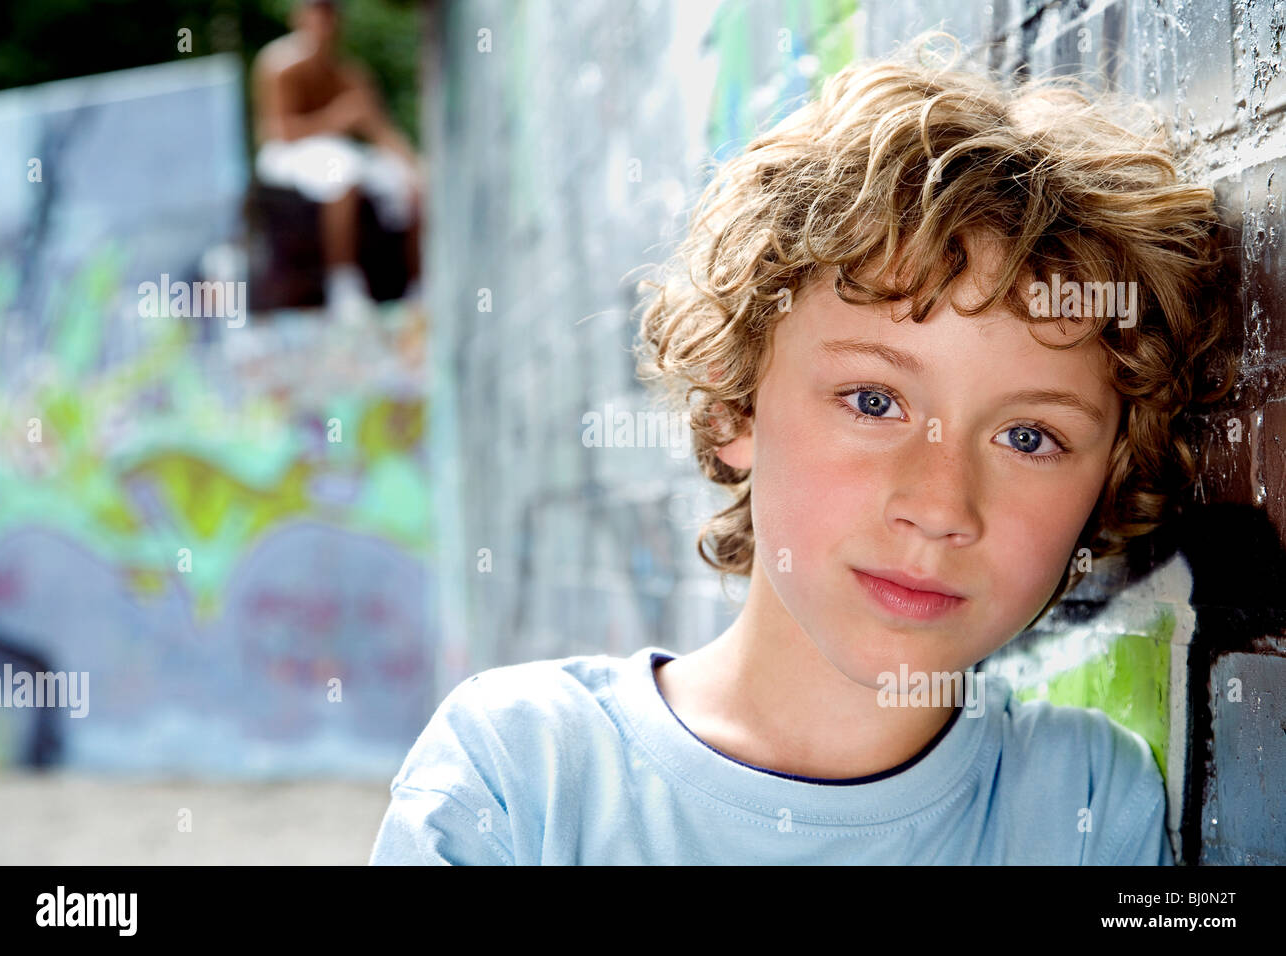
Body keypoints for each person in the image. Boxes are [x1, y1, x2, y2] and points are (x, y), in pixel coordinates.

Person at [367, 33, 1237, 864]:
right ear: (734, 409)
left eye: (1028, 436)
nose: (939, 506)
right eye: (873, 400)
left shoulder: (1086, 803)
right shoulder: (523, 771)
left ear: (1110, 478)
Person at [252, 0, 426, 324]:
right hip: (285, 155)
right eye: (316, 14)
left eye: (329, 15)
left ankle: (419, 285)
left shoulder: (349, 72)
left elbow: (381, 130)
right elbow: (279, 132)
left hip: (336, 149)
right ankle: (343, 285)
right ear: (300, 19)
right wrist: (338, 118)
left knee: (404, 180)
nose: (323, 24)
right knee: (341, 172)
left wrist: (414, 168)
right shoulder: (278, 64)